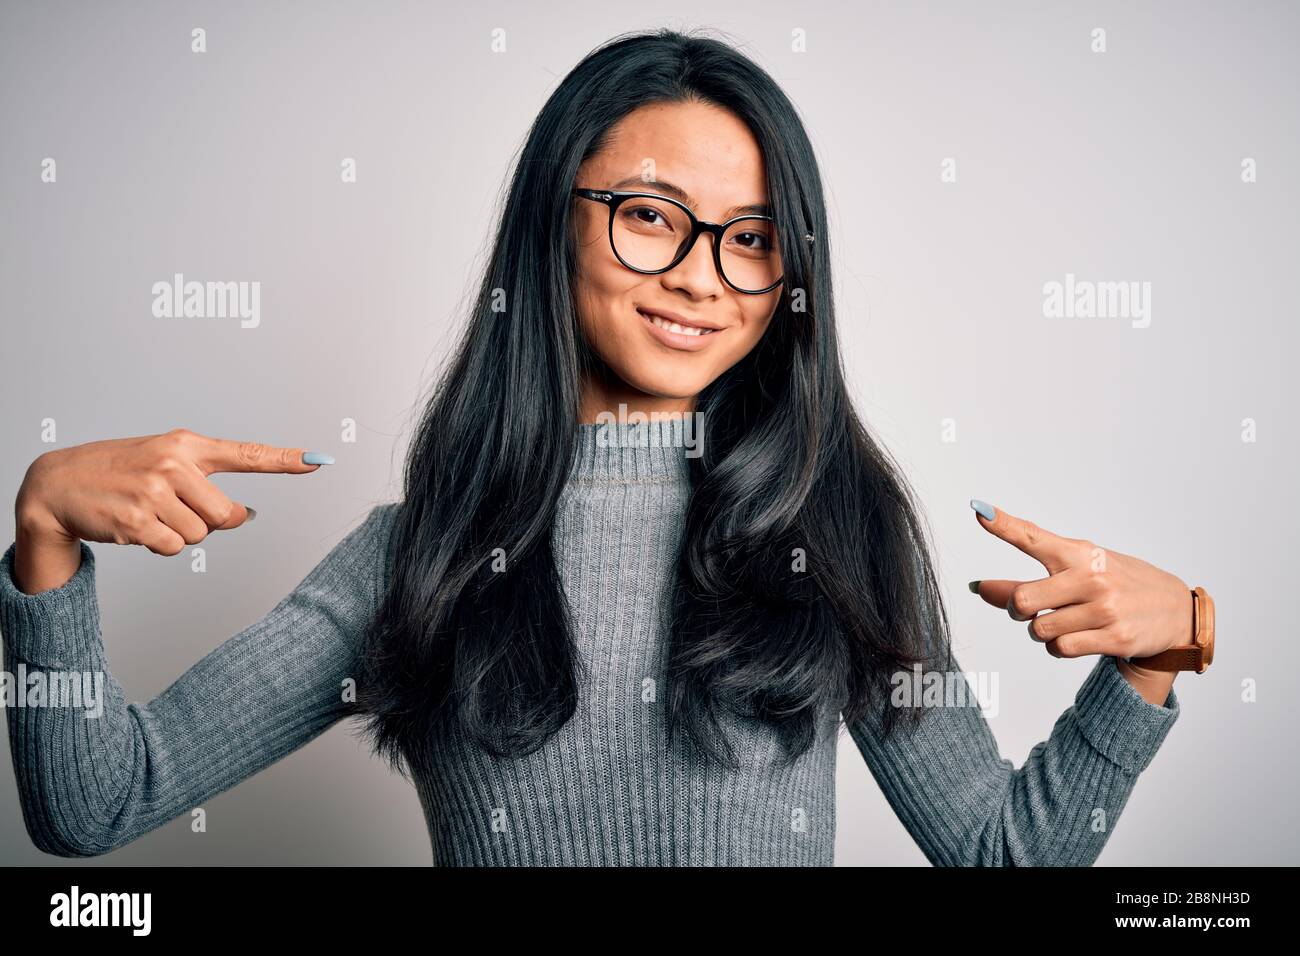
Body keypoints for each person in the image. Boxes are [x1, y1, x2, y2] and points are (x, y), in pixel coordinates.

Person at [0, 28, 1193, 866]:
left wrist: (1158, 655)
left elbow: (1000, 854)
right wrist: (46, 533)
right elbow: (98, 804)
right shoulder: (419, 553)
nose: (698, 276)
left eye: (752, 238)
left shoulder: (833, 528)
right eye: (649, 217)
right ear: (553, 218)